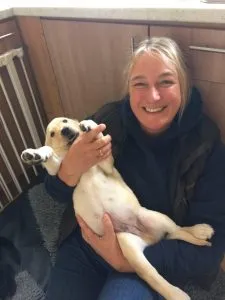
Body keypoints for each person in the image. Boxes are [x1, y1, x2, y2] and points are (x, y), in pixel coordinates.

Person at [45, 37, 225, 300]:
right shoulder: (106, 121)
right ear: (128, 88)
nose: (152, 96)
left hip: (149, 251)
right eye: (140, 83)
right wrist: (68, 171)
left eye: (166, 82)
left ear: (184, 85)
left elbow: (211, 246)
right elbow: (53, 192)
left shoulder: (206, 144)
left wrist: (126, 261)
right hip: (87, 242)